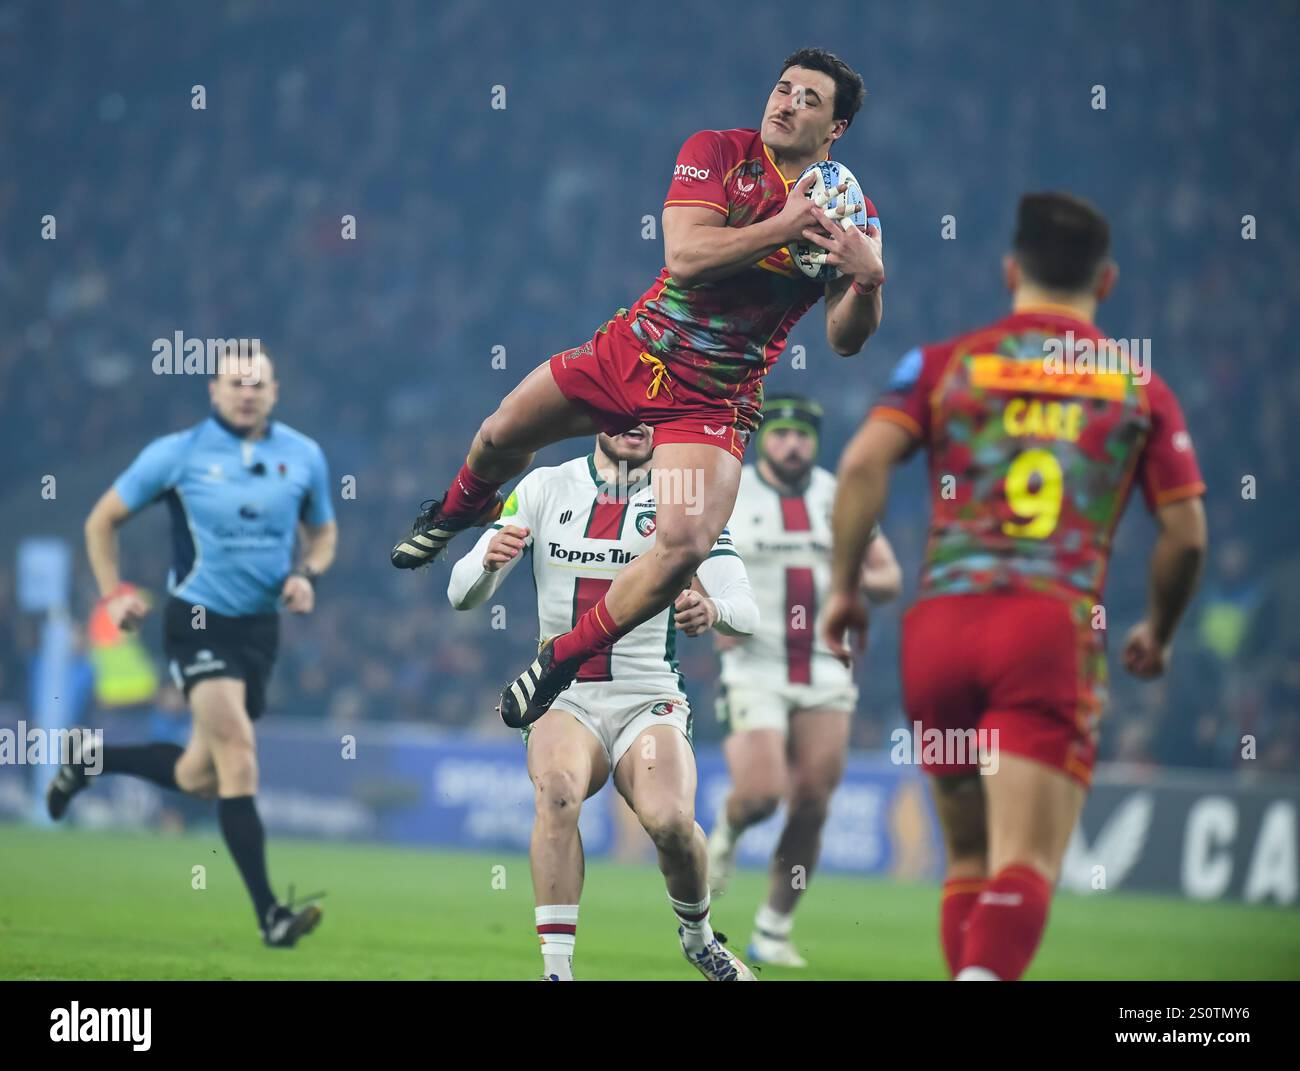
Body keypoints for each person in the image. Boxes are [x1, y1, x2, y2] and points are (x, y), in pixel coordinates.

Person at [391, 47, 885, 732]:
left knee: (681, 541)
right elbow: (684, 257)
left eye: (808, 99)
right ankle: (452, 513)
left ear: (836, 129)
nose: (786, 102)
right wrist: (783, 226)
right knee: (501, 432)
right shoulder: (717, 151)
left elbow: (846, 338)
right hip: (632, 352)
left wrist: (866, 280)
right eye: (782, 88)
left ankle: (562, 656)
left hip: (710, 402)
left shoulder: (847, 212)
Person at [823, 192, 1207, 981]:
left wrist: (842, 588)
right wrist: (1160, 632)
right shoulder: (1137, 388)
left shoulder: (946, 362)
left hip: (938, 633)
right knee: (1023, 863)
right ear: (1106, 283)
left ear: (1009, 271)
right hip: (1046, 631)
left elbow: (860, 464)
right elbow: (1188, 532)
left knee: (966, 857)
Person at [448, 424, 760, 980]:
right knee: (559, 793)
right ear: (596, 416)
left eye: (647, 414)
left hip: (649, 697)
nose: (634, 424)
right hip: (565, 694)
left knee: (669, 821)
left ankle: (699, 939)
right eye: (620, 410)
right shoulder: (544, 486)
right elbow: (460, 594)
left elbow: (745, 606)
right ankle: (556, 970)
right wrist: (486, 564)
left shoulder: (686, 496)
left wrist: (716, 612)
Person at [50, 348, 338, 949]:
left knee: (199, 776)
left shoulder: (303, 455)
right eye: (235, 383)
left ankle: (89, 761)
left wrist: (306, 573)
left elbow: (324, 531)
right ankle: (271, 917)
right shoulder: (176, 453)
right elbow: (101, 521)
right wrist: (111, 596)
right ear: (214, 390)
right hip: (198, 620)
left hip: (260, 630)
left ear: (275, 392)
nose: (247, 393)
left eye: (258, 383)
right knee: (237, 750)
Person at [705, 393, 901, 967]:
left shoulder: (837, 497)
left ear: (815, 441)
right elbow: (692, 556)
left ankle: (773, 927)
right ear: (766, 438)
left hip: (822, 664)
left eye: (803, 435)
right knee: (764, 794)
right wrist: (713, 605)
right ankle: (727, 833)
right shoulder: (732, 491)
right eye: (782, 432)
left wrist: (862, 586)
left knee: (814, 799)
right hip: (754, 663)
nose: (792, 444)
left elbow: (887, 574)